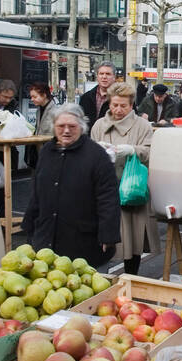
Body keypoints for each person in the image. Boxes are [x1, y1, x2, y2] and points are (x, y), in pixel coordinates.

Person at [22, 103, 120, 268]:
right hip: (46, 235)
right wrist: (29, 224)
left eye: (72, 126)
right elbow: (37, 192)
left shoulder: (97, 156)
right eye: (61, 126)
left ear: (81, 127)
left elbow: (108, 198)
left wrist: (108, 234)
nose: (66, 131)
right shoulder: (47, 151)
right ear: (53, 127)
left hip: (81, 239)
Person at [91, 82, 160, 276]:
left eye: (124, 106)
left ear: (132, 105)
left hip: (131, 187)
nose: (118, 110)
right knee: (102, 237)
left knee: (133, 238)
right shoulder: (99, 125)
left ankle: (131, 276)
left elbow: (151, 151)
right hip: (105, 188)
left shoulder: (142, 125)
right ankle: (101, 278)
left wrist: (133, 150)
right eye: (114, 105)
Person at [25, 83, 58, 169]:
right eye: (31, 97)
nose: (32, 99)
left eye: (35, 97)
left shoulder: (55, 111)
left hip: (50, 152)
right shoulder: (38, 110)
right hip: (41, 151)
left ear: (44, 95)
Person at [79, 63, 117, 129]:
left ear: (114, 77)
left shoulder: (123, 98)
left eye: (108, 74)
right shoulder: (86, 97)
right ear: (97, 76)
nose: (104, 77)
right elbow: (80, 122)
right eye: (101, 74)